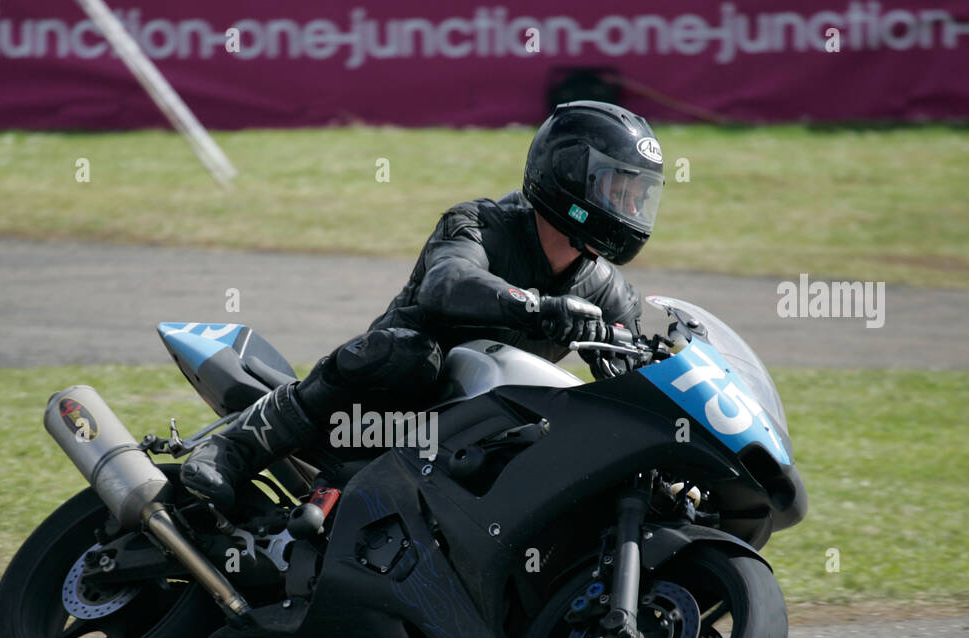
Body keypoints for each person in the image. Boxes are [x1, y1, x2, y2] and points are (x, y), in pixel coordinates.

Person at [181, 100, 665, 509]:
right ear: (566, 175)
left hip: (482, 435)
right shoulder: (479, 223)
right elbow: (449, 282)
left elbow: (629, 388)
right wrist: (540, 308)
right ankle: (234, 446)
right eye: (616, 188)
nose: (628, 206)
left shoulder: (610, 292)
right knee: (407, 354)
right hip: (383, 409)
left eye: (637, 194)